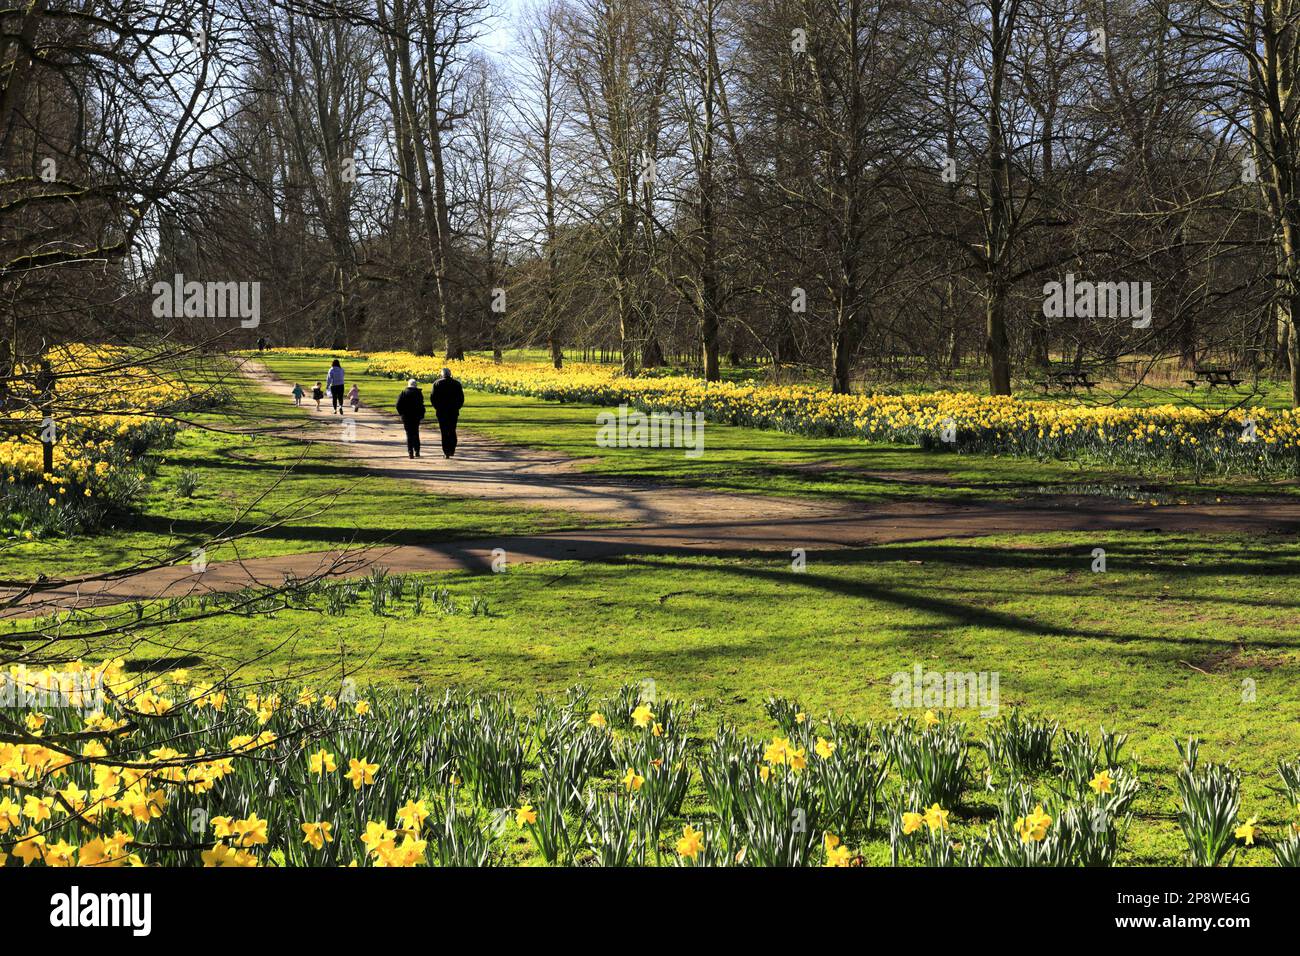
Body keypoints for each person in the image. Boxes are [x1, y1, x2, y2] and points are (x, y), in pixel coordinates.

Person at [431, 367, 465, 458]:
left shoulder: (437, 383)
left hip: (441, 411)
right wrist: (457, 407)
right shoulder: (457, 384)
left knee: (444, 431)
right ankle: (452, 449)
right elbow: (461, 398)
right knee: (452, 430)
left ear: (442, 374)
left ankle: (446, 451)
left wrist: (437, 408)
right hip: (453, 411)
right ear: (450, 374)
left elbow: (433, 398)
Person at [395, 378, 426, 458]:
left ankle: (410, 452)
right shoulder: (419, 393)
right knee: (416, 433)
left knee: (409, 434)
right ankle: (417, 450)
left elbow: (398, 405)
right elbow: (421, 405)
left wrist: (401, 413)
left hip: (406, 417)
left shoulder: (404, 393)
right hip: (416, 416)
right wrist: (422, 414)